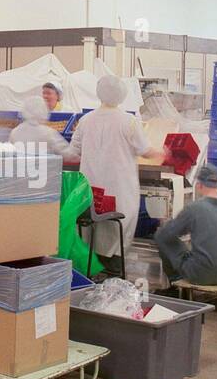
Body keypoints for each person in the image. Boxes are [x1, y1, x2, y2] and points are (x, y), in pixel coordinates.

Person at [69, 74, 165, 274]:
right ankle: (114, 274)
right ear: (122, 95)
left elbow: (73, 153)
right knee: (117, 233)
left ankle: (93, 272)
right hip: (120, 192)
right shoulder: (128, 121)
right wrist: (164, 153)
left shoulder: (85, 121)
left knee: (94, 232)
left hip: (91, 194)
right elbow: (145, 150)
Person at [153, 163, 217, 288]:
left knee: (160, 235)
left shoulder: (195, 208)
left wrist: (164, 224)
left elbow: (167, 234)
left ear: (199, 185)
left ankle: (175, 282)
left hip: (200, 276)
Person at [10, 96, 78, 161]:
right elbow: (69, 156)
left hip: (20, 171)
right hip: (45, 171)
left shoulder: (15, 132)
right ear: (43, 111)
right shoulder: (47, 133)